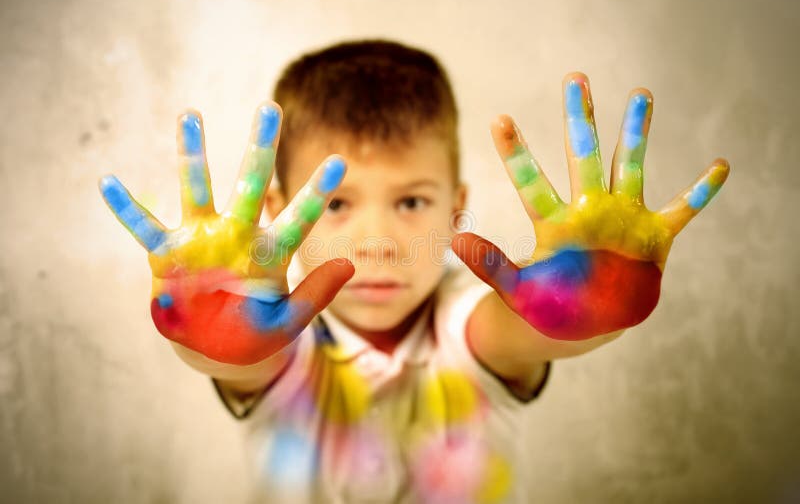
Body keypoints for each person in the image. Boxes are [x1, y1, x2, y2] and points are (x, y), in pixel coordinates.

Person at [98, 39, 729, 502]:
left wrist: (600, 295)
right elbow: (240, 356)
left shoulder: (466, 323)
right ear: (277, 211)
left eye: (411, 202)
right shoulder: (282, 339)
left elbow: (527, 331)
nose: (378, 244)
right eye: (337, 204)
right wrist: (206, 321)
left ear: (456, 206)